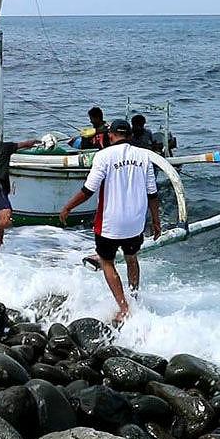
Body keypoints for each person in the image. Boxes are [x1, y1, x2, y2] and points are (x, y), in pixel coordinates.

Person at [60, 119, 160, 325]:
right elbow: (152, 193)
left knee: (107, 262)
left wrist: (68, 207)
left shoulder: (103, 156)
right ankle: (134, 297)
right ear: (130, 136)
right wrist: (156, 222)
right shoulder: (144, 156)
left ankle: (124, 308)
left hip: (110, 224)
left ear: (111, 135)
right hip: (135, 222)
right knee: (132, 258)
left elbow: (88, 190)